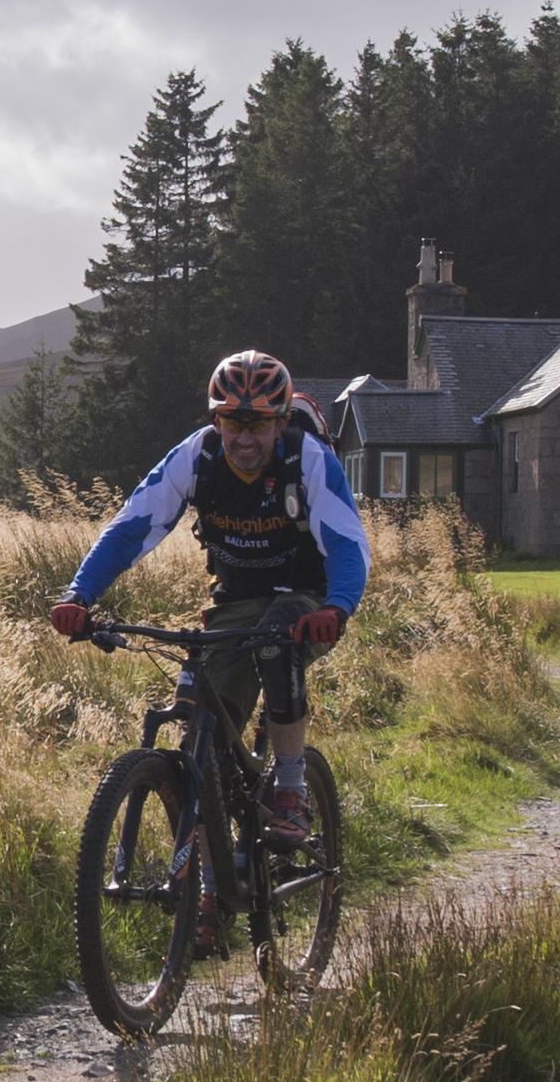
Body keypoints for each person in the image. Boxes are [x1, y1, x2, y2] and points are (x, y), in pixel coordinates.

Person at [46, 349, 371, 840]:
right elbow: (131, 527)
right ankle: (208, 890)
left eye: (258, 424)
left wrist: (337, 606)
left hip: (308, 598)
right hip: (234, 601)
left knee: (275, 644)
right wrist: (79, 595)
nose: (243, 438)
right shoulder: (197, 455)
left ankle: (290, 788)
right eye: (231, 422)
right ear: (216, 419)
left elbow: (348, 543)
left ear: (281, 422)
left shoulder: (307, 458)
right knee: (202, 733)